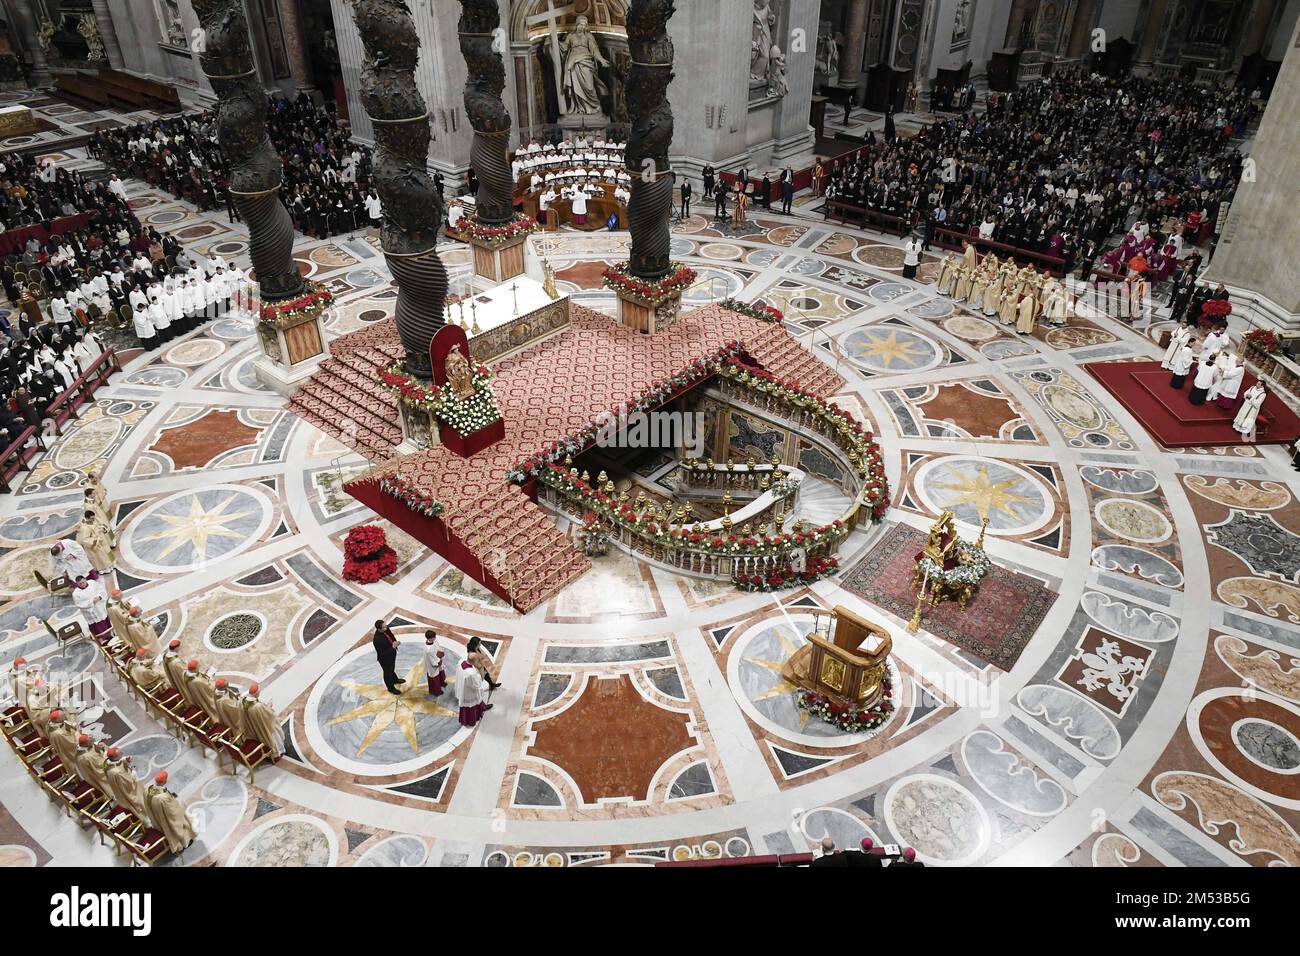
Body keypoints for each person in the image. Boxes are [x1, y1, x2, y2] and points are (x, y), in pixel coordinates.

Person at [145, 770, 196, 854]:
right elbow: (173, 813)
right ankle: (184, 843)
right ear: (165, 781)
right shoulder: (163, 798)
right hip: (167, 819)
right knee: (177, 826)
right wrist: (181, 807)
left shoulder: (147, 790)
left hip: (156, 816)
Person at [372, 619, 403, 694]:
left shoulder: (385, 628)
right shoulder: (377, 640)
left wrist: (395, 642)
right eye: (384, 627)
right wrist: (393, 647)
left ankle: (395, 680)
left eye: (386, 626)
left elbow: (391, 635)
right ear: (379, 629)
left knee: (392, 669)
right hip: (385, 660)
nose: (386, 628)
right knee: (387, 673)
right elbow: (382, 653)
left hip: (392, 655)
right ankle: (391, 688)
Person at [456, 659, 487, 727]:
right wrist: (481, 672)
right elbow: (477, 685)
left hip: (463, 689)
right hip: (470, 692)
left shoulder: (461, 662)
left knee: (470, 704)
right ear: (474, 661)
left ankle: (483, 707)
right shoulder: (471, 673)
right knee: (471, 705)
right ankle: (471, 721)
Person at [424, 631, 446, 696]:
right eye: (434, 637)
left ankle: (442, 683)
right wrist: (439, 661)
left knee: (440, 672)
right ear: (430, 638)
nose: (435, 638)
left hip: (438, 659)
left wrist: (441, 653)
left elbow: (438, 648)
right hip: (433, 665)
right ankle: (436, 691)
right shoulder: (428, 650)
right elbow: (433, 660)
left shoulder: (434, 641)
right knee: (434, 678)